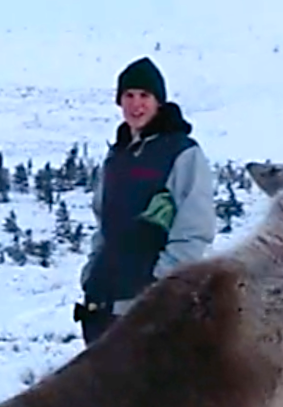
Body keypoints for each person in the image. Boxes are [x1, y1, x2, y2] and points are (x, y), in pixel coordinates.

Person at [76, 56, 217, 345]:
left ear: (159, 102)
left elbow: (194, 232)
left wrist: (160, 287)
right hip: (102, 306)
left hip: (148, 311)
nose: (136, 104)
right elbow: (103, 225)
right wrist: (91, 273)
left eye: (145, 96)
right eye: (128, 95)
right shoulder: (117, 157)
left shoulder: (182, 154)